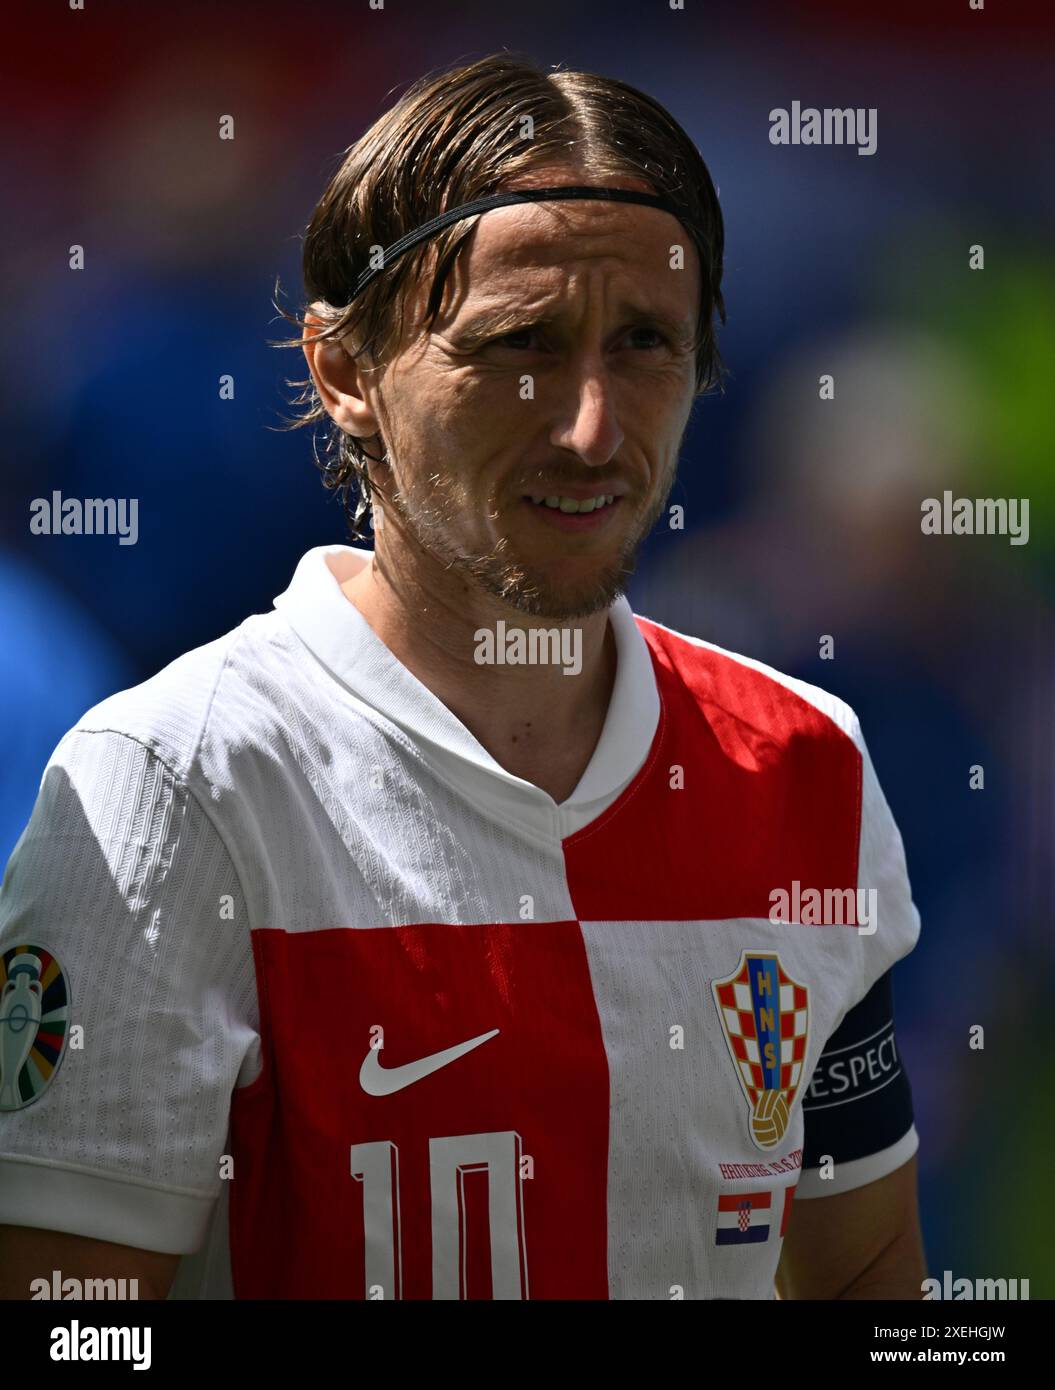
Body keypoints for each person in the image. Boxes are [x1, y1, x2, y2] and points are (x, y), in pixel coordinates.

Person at [0, 53, 925, 1300]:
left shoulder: (803, 760)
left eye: (645, 342)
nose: (592, 426)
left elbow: (867, 1276)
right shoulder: (173, 784)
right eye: (519, 344)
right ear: (344, 373)